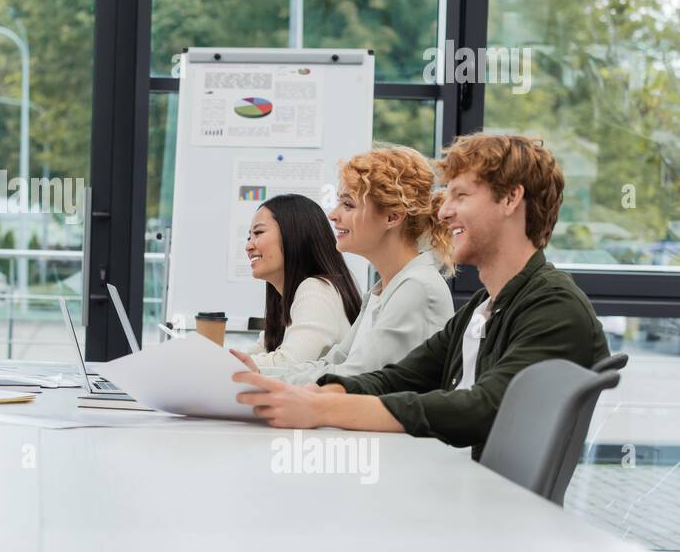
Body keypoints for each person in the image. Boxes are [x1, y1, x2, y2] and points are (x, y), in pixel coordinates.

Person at [236, 133, 609, 456]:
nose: (443, 212)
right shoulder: (483, 307)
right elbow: (393, 378)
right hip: (458, 484)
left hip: (493, 512)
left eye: (460, 196)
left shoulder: (554, 306)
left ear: (511, 199)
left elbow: (484, 406)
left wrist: (324, 409)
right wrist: (315, 395)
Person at [235, 147, 455, 384]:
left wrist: (262, 378)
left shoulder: (417, 288)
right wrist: (260, 374)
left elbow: (358, 375)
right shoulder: (382, 291)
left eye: (348, 205)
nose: (333, 215)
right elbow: (334, 363)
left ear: (392, 217)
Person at [241, 193, 362, 369]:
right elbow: (260, 352)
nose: (248, 246)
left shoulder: (317, 289)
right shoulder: (286, 297)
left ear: (294, 234)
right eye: (248, 237)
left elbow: (288, 364)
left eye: (258, 233)